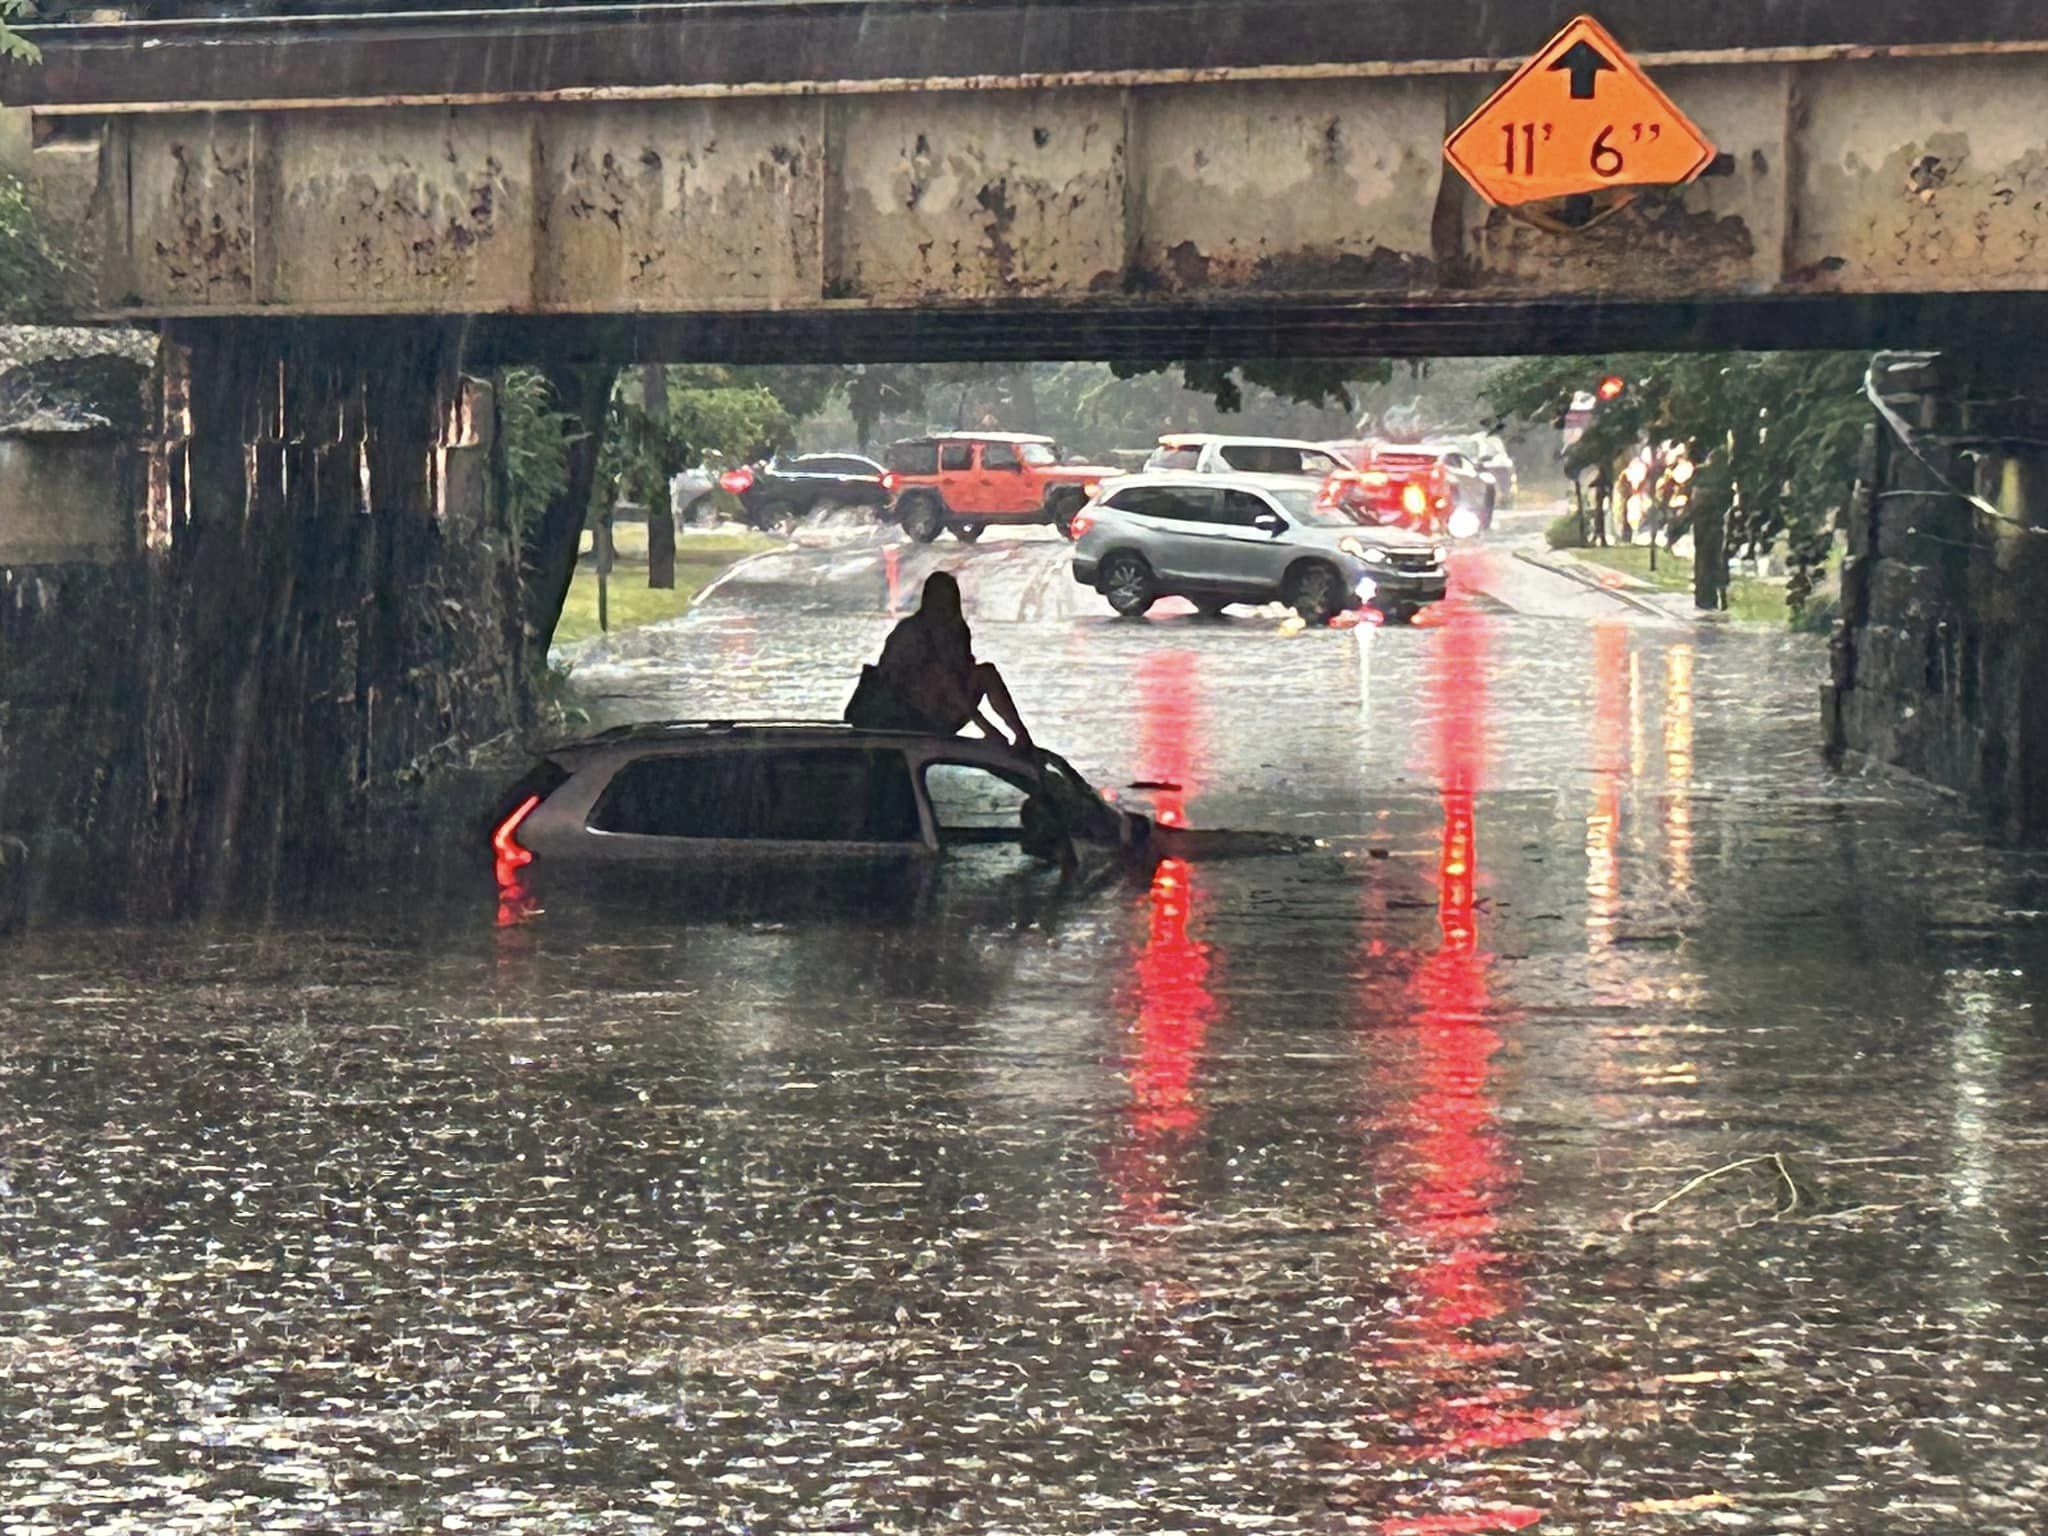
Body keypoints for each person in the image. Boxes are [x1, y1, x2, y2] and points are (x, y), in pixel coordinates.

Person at [845, 571, 1033, 752]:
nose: (943, 605)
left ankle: (1021, 734)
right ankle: (988, 729)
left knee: (986, 672)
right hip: (906, 711)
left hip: (947, 707)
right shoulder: (910, 630)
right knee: (939, 673)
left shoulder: (958, 630)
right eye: (939, 599)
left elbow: (963, 668)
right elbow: (888, 673)